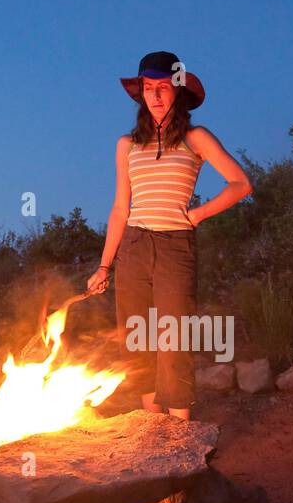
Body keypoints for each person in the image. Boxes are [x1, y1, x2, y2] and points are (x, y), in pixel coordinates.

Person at [87, 51, 253, 421]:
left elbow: (241, 184)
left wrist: (197, 214)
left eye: (164, 87)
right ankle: (152, 431)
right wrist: (104, 265)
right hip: (133, 247)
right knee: (137, 341)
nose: (156, 96)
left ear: (177, 91)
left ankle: (179, 440)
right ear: (141, 93)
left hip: (175, 246)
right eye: (149, 88)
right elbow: (119, 208)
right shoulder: (126, 145)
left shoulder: (196, 138)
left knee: (173, 341)